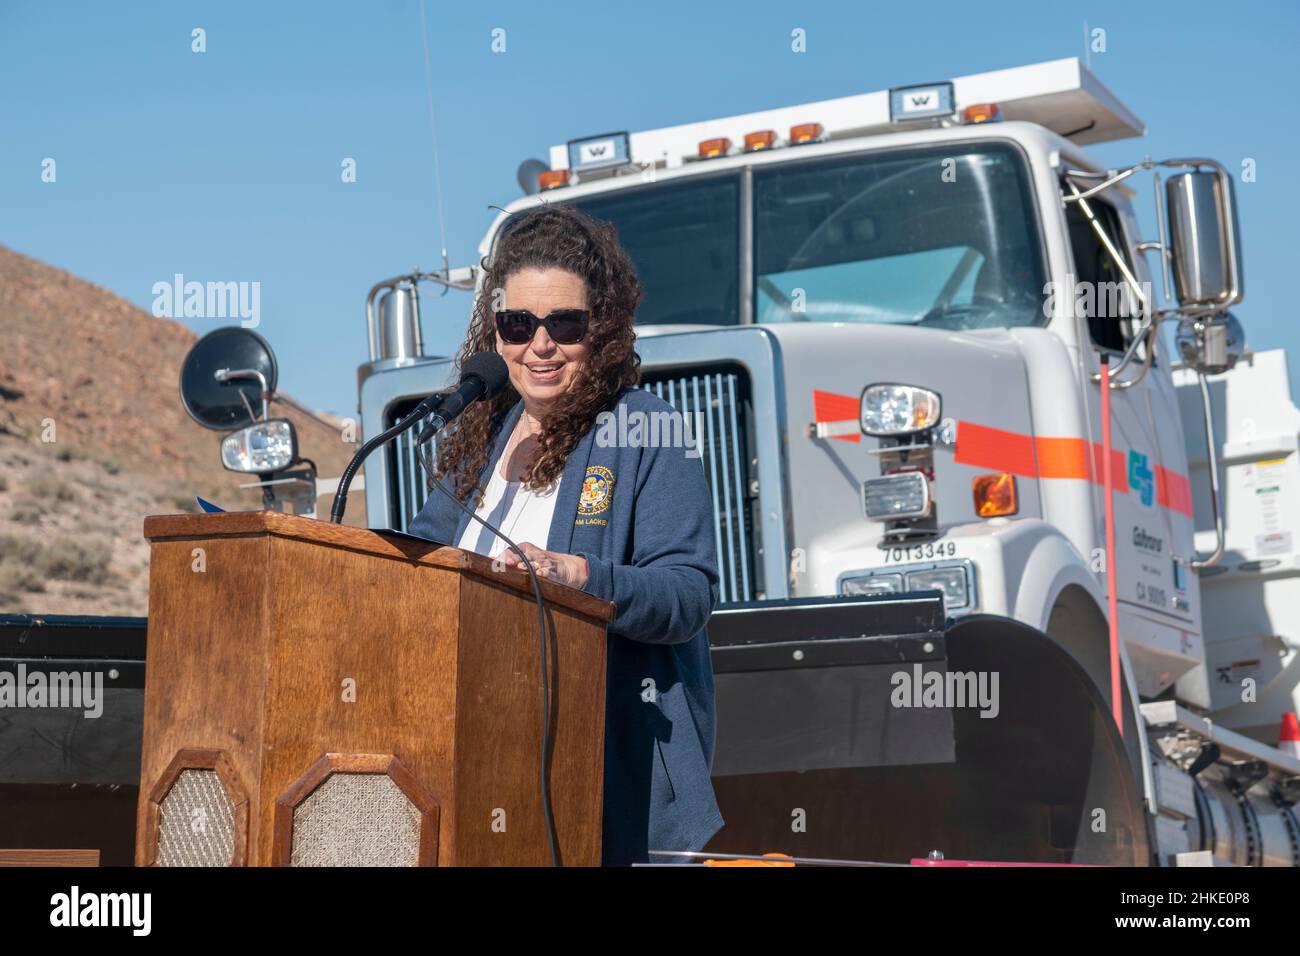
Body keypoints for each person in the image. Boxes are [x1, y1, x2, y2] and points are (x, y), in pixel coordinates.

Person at [407, 203, 724, 866]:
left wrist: (579, 578)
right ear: (495, 333)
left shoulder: (645, 427)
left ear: (601, 330)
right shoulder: (481, 436)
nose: (540, 345)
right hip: (482, 779)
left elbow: (687, 594)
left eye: (566, 324)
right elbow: (418, 569)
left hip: (610, 785)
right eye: (518, 324)